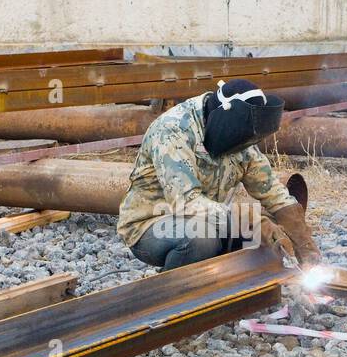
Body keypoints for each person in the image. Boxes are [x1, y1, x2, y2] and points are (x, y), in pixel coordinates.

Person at [118, 78, 322, 271]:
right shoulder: (173, 131)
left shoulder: (240, 137)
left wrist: (303, 243)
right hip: (150, 224)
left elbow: (272, 192)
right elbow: (186, 203)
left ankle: (228, 289)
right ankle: (166, 295)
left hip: (211, 220)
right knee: (201, 240)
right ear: (227, 120)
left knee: (267, 238)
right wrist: (252, 222)